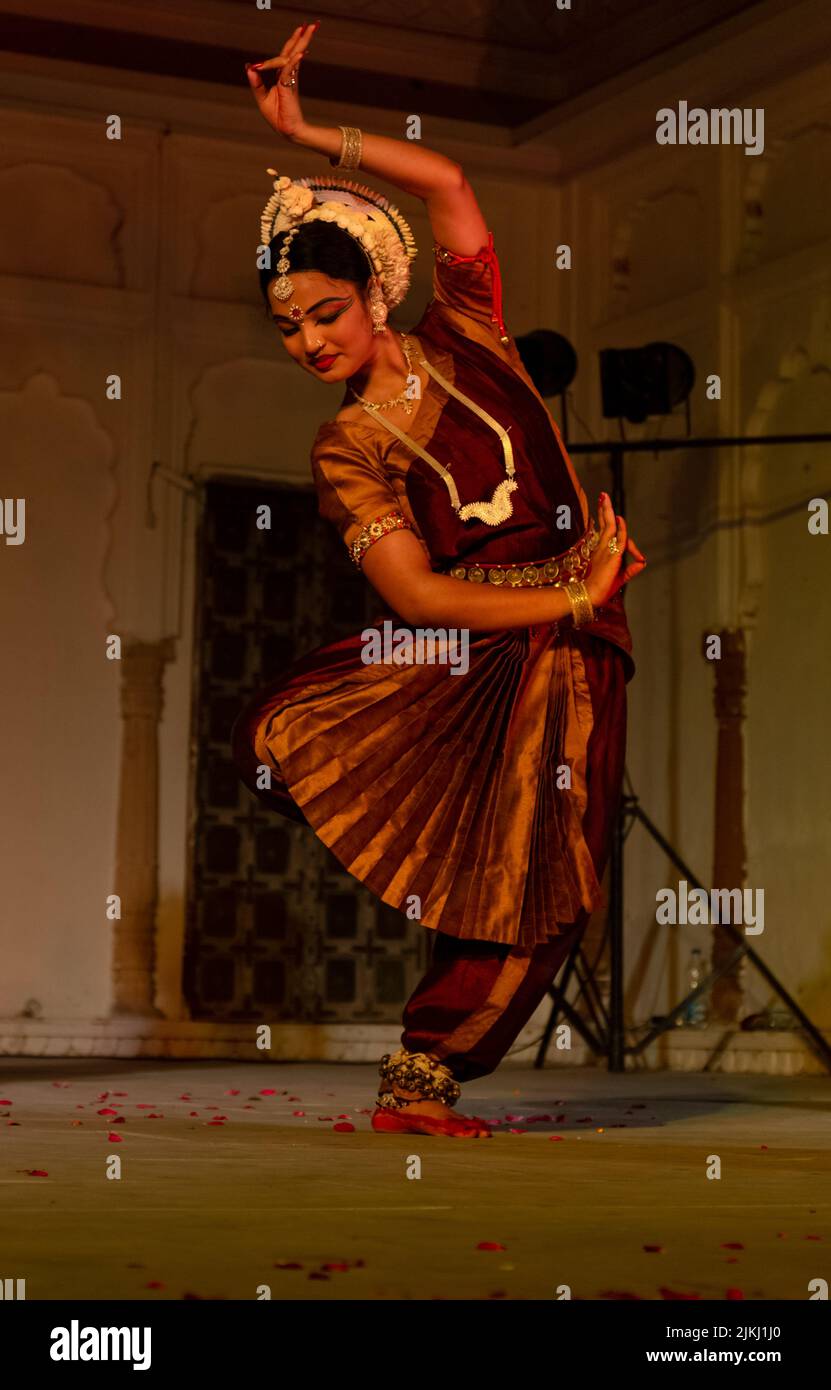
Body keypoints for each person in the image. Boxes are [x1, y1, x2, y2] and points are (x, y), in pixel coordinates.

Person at [234, 22, 647, 1139]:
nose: (310, 341)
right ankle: (425, 1070)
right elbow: (416, 598)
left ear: (375, 291)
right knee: (531, 869)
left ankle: (425, 1070)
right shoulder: (347, 448)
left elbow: (453, 179)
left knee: (548, 867)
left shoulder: (470, 329)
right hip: (498, 648)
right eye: (288, 329)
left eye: (325, 312)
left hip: (586, 625)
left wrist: (306, 132)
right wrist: (565, 599)